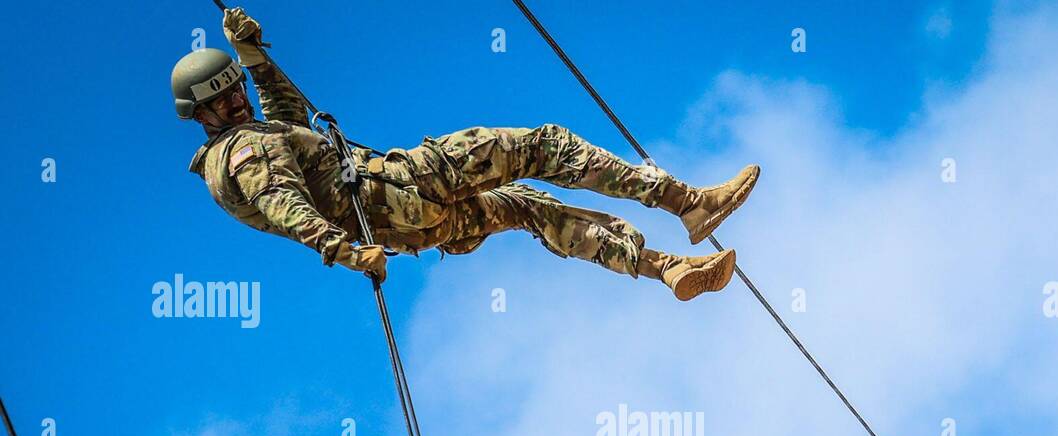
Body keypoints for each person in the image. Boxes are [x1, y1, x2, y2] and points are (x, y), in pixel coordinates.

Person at [173, 7, 760, 300]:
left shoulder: (251, 138)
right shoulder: (243, 154)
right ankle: (687, 203)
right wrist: (343, 252)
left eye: (234, 94)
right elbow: (284, 203)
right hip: (402, 187)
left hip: (414, 229)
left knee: (528, 207)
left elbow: (287, 116)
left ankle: (667, 269)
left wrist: (251, 55)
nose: (235, 106)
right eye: (221, 105)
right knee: (539, 147)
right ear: (199, 118)